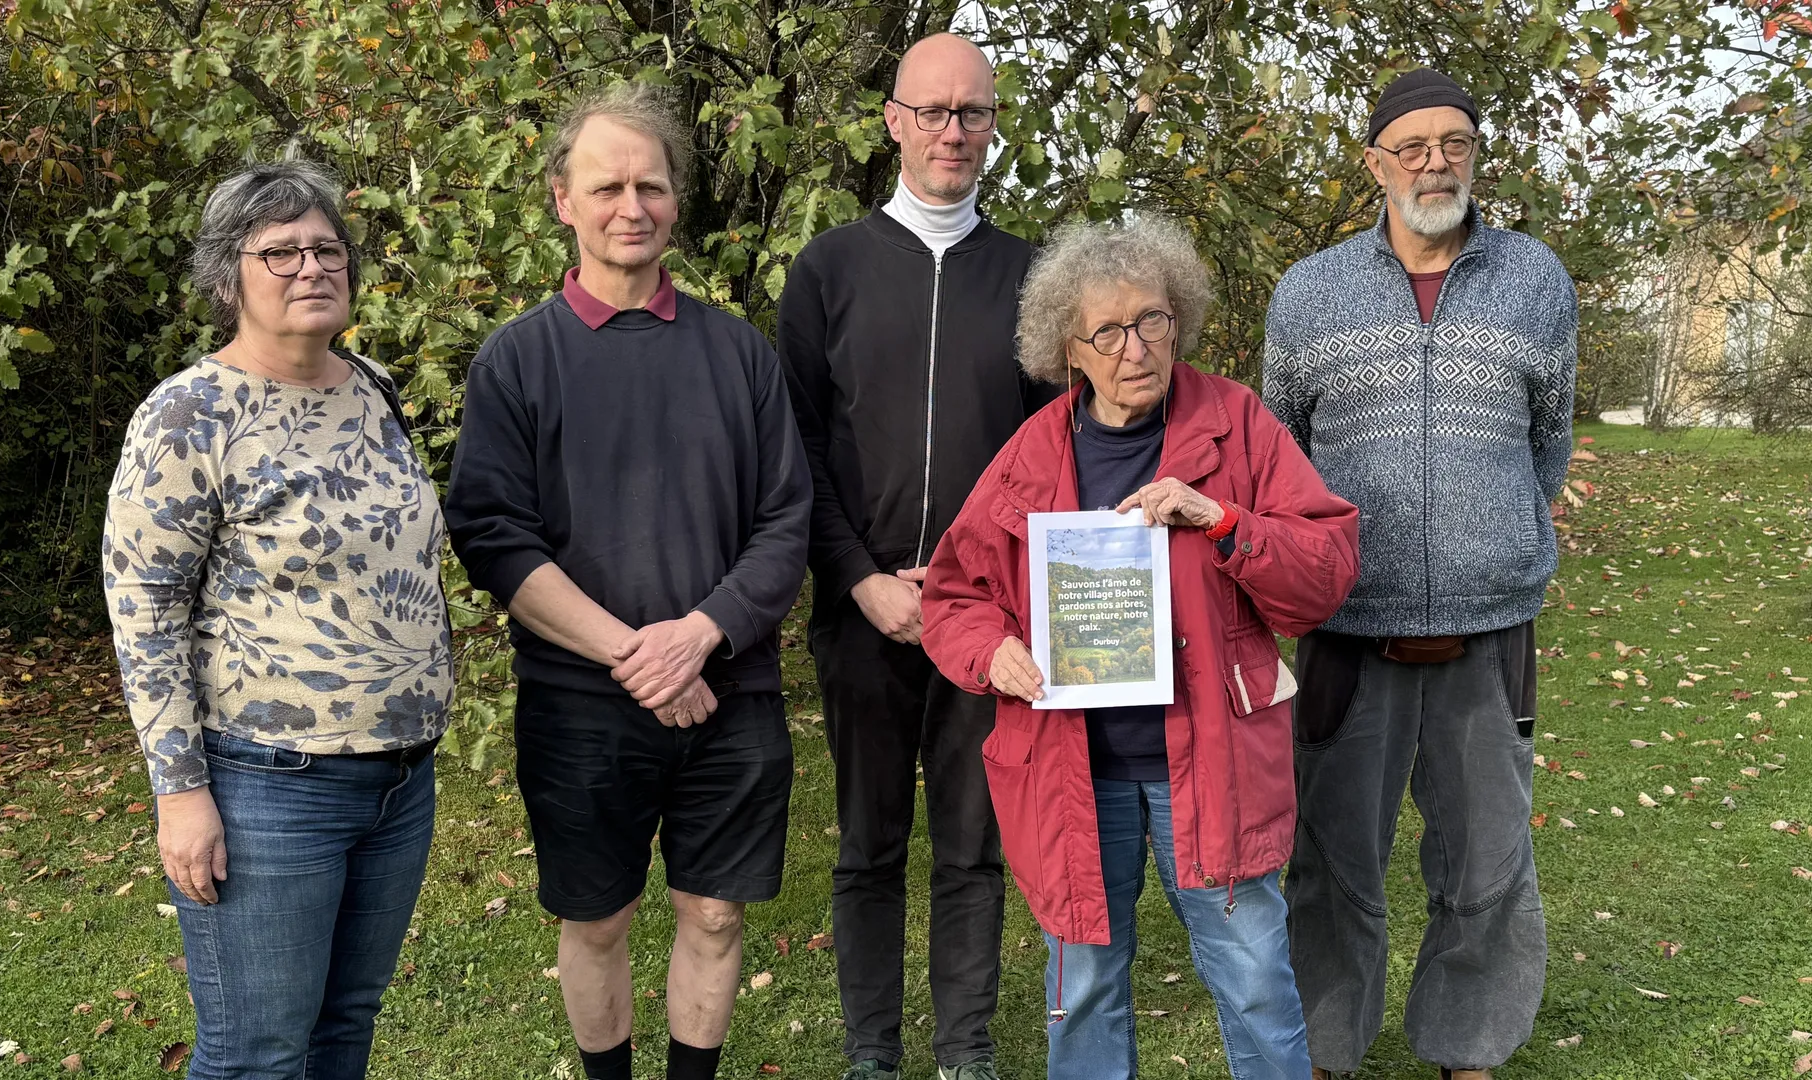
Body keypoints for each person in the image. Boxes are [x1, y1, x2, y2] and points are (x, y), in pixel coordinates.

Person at [920, 215, 1362, 1080]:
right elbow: (954, 595)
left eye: (1152, 319)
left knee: (1254, 979)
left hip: (1212, 759)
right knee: (1085, 985)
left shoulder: (1235, 424)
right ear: (1070, 351)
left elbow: (1326, 568)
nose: (1136, 347)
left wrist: (1223, 521)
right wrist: (993, 652)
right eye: (1109, 332)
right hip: (1074, 769)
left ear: (1177, 318)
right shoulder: (1030, 457)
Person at [444, 81, 811, 1080]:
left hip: (729, 691)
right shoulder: (518, 360)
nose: (631, 205)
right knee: (598, 921)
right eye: (607, 186)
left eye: (651, 185)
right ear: (564, 200)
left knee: (716, 913)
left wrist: (698, 636)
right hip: (579, 701)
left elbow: (786, 521)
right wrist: (637, 657)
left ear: (675, 200)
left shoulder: (740, 354)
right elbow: (493, 537)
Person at [102, 160, 452, 1078]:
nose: (312, 268)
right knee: (256, 1052)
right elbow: (144, 612)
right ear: (230, 276)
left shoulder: (372, 386)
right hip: (269, 786)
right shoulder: (187, 415)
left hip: (400, 779)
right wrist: (180, 793)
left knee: (346, 1025)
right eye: (282, 252)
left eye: (328, 248)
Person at [1262, 68, 1577, 1080]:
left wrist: (1495, 535)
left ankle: (1467, 1048)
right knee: (1331, 860)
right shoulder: (1309, 294)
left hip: (1490, 630)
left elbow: (1549, 442)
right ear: (1374, 163)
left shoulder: (1535, 281)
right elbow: (1279, 455)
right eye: (1412, 145)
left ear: (1474, 155)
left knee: (1488, 861)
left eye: (1454, 143)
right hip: (1349, 627)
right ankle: (1324, 1048)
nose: (1434, 162)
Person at [776, 31, 1060, 1080]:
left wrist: (979, 583)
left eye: (972, 113)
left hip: (987, 614)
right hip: (864, 610)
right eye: (933, 112)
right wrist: (857, 577)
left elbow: (1052, 455)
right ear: (893, 121)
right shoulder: (829, 270)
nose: (953, 131)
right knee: (869, 844)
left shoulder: (1032, 278)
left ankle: (966, 1047)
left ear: (993, 126)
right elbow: (798, 448)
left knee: (972, 844)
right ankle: (872, 1051)